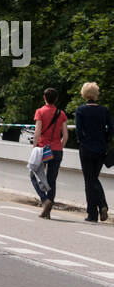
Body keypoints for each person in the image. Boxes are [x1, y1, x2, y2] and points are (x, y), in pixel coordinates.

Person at [74, 82, 113, 224]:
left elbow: (78, 130)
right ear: (96, 93)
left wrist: (83, 141)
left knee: (89, 180)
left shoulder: (81, 110)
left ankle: (94, 213)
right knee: (94, 179)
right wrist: (105, 140)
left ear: (84, 94)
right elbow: (111, 129)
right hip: (100, 149)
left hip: (86, 149)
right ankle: (101, 207)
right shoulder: (104, 110)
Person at [31, 87, 69, 216]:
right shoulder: (61, 113)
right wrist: (60, 146)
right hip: (57, 150)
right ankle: (48, 211)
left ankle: (44, 200)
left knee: (34, 175)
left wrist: (34, 146)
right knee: (51, 180)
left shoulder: (40, 112)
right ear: (56, 99)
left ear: (44, 98)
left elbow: (37, 132)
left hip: (43, 149)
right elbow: (66, 135)